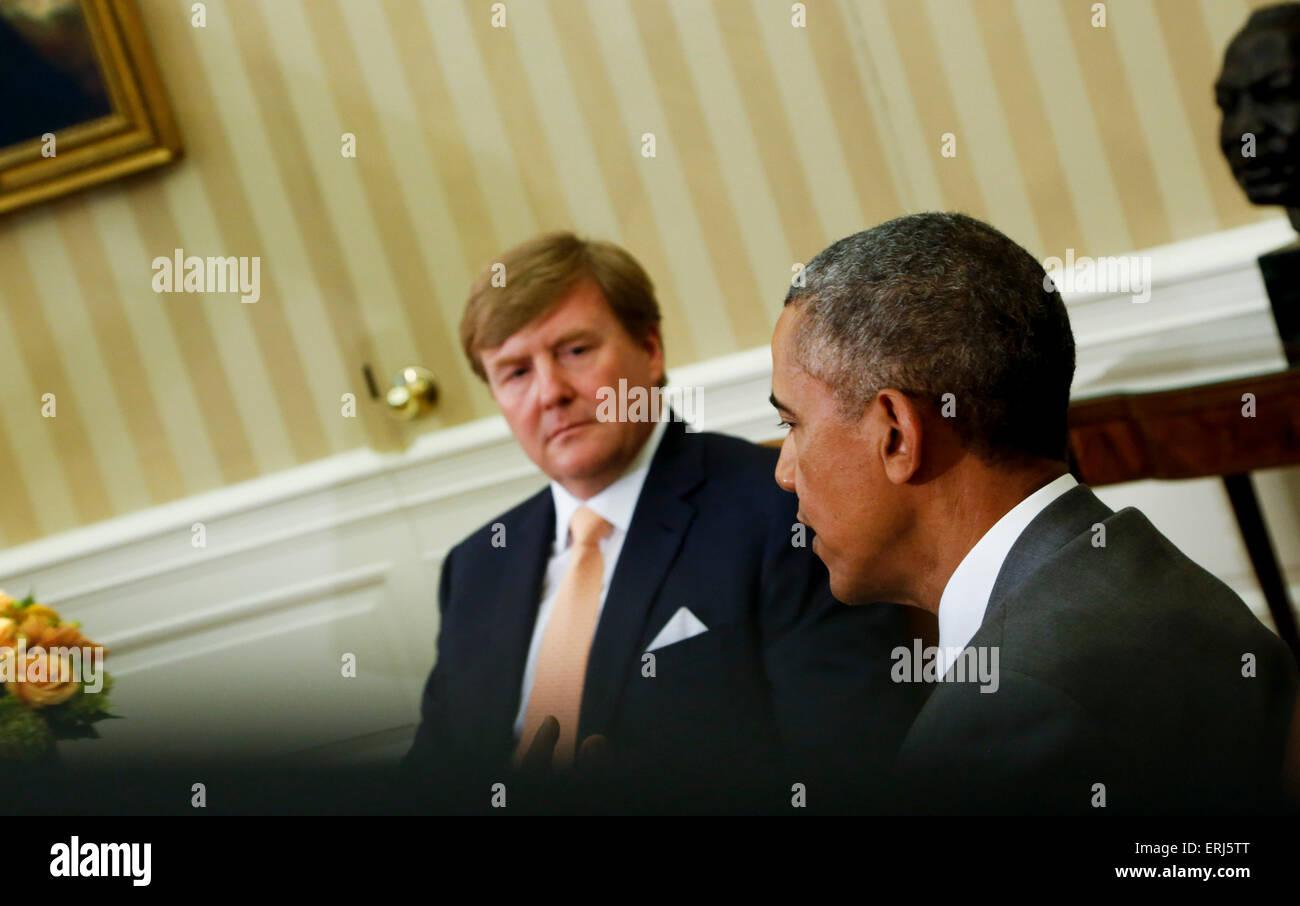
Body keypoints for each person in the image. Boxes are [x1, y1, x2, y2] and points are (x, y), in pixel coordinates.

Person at [769, 212, 1300, 814]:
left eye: (792, 424)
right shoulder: (1154, 570)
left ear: (897, 434)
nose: (784, 471)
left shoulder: (1001, 715)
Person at [400, 231, 921, 813]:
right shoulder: (475, 567)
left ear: (650, 350)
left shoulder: (784, 511)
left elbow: (846, 766)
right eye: (515, 372)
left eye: (574, 351)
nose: (551, 392)